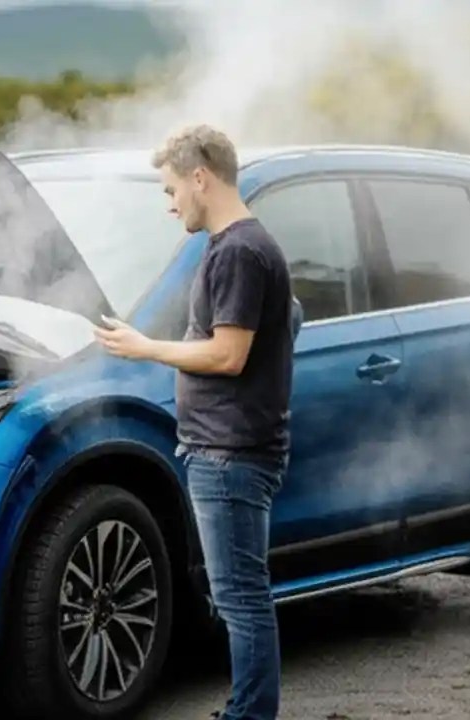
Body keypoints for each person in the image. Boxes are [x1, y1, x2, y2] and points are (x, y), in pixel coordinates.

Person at [93, 124, 296, 720]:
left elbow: (229, 354)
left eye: (171, 188)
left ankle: (249, 714)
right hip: (228, 450)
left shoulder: (238, 251)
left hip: (229, 455)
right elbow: (289, 319)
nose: (169, 203)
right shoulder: (241, 246)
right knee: (239, 592)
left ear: (200, 177)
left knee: (241, 596)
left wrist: (144, 348)